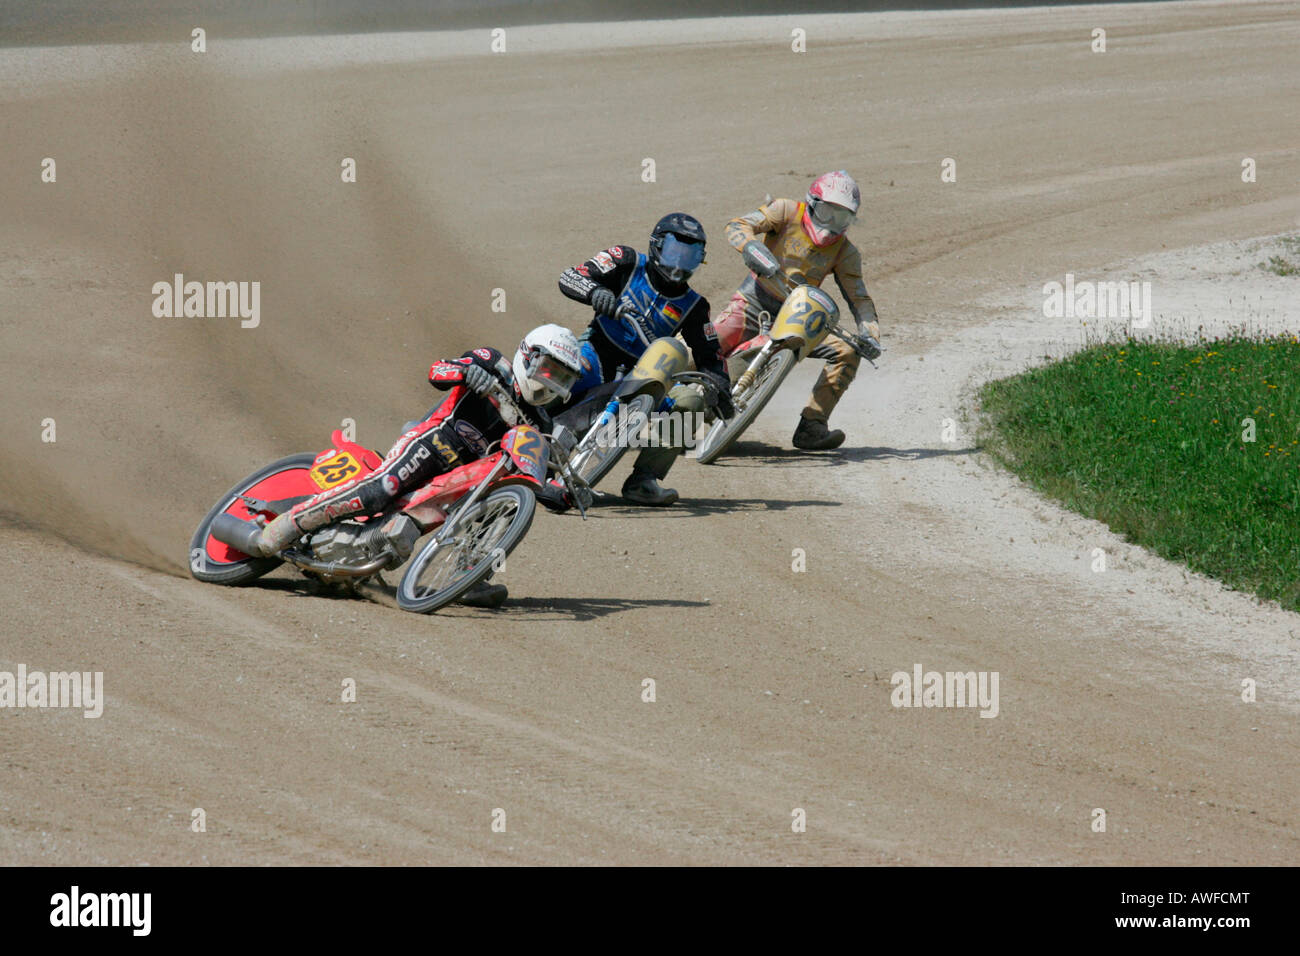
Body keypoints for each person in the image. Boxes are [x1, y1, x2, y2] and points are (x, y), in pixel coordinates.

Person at [226, 324, 584, 607]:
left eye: (563, 379)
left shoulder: (542, 426)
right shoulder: (493, 361)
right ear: (529, 356)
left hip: (462, 479)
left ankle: (469, 572)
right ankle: (276, 533)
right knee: (380, 490)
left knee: (501, 501)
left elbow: (534, 474)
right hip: (432, 442)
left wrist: (560, 493)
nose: (551, 383)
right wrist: (468, 373)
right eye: (549, 370)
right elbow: (437, 370)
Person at [556, 212, 732, 506]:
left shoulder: (696, 307)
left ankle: (644, 480)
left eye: (690, 256)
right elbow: (571, 276)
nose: (679, 264)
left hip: (647, 376)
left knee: (690, 402)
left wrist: (720, 384)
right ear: (656, 245)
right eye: (675, 251)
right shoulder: (625, 260)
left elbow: (711, 355)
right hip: (596, 351)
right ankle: (532, 437)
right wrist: (597, 292)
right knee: (563, 365)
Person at [718, 170, 881, 450]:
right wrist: (752, 249)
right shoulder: (784, 210)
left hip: (800, 318)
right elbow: (737, 225)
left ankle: (813, 426)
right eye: (828, 212)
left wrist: (870, 334)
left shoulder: (846, 252)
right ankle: (656, 397)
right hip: (753, 301)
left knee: (848, 351)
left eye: (842, 218)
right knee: (707, 343)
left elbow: (860, 299)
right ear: (813, 203)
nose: (832, 224)